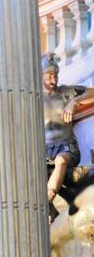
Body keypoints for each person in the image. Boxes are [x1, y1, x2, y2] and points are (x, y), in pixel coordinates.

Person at [42, 53, 94, 205]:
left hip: (66, 148)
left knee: (61, 160)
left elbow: (92, 92)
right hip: (44, 152)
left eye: (56, 75)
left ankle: (46, 202)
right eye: (50, 75)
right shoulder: (34, 99)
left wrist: (75, 101)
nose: (54, 79)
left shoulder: (65, 93)